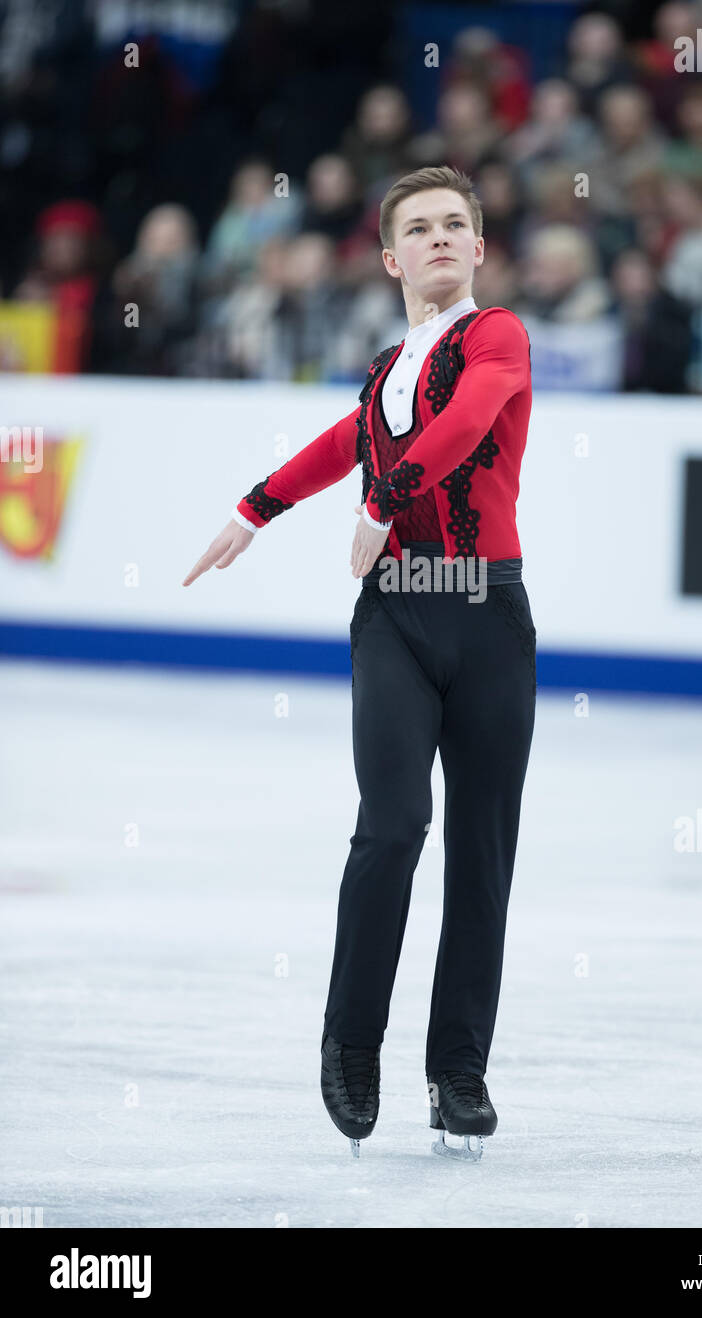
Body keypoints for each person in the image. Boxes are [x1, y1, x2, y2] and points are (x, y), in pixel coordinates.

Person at [182, 166, 536, 1161]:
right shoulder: (386, 366)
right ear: (388, 258)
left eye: (453, 225)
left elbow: (466, 425)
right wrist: (255, 509)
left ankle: (457, 1070)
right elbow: (348, 439)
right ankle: (350, 1042)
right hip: (394, 619)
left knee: (481, 850)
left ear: (475, 248)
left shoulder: (496, 335)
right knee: (392, 827)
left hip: (487, 617)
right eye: (415, 228)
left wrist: (381, 505)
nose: (436, 239)